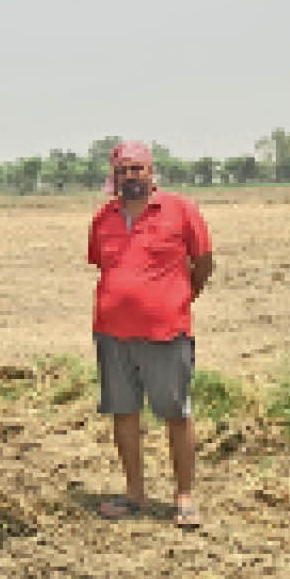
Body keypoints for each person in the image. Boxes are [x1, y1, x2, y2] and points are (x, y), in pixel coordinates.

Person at [88, 142, 214, 528]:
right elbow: (103, 266)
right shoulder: (103, 219)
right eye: (123, 170)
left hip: (166, 333)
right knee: (123, 412)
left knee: (176, 413)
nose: (131, 176)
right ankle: (134, 494)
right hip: (112, 334)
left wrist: (178, 300)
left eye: (137, 169)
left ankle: (185, 497)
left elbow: (204, 263)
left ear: (151, 172)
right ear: (114, 176)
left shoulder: (181, 210)